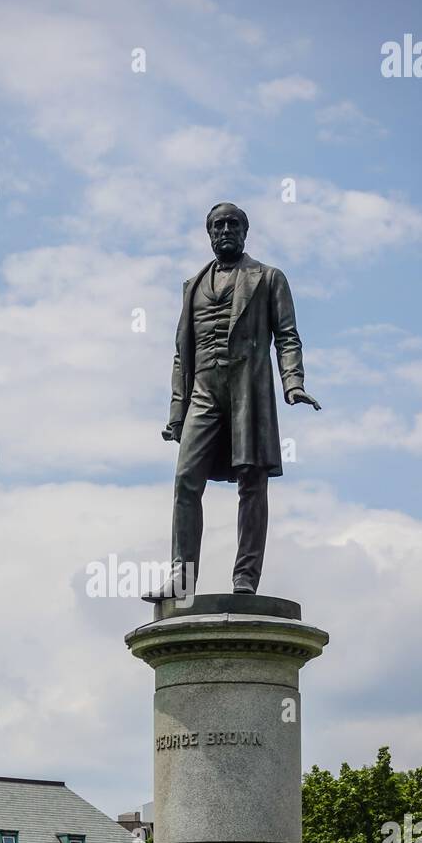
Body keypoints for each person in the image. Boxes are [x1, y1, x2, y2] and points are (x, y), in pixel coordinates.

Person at [145, 202, 319, 601]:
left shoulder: (269, 277)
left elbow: (287, 335)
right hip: (203, 393)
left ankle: (245, 576)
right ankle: (181, 577)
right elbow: (181, 353)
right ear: (208, 234)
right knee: (186, 480)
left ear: (245, 231)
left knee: (252, 481)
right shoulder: (192, 286)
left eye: (233, 224)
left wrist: (292, 382)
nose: (226, 230)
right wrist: (176, 413)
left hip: (248, 391)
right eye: (218, 225)